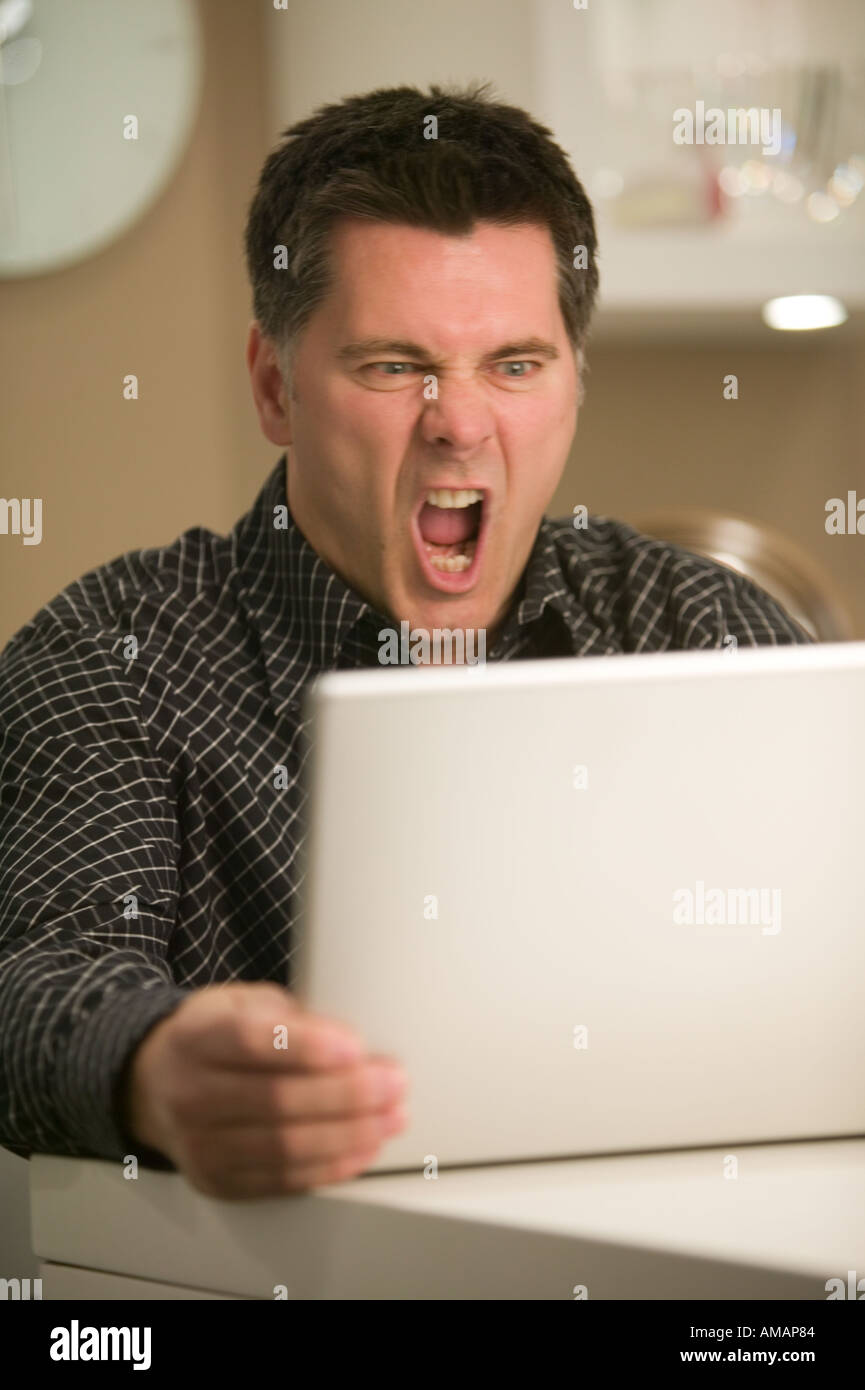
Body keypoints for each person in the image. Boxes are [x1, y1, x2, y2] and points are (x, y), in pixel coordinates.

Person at [0, 83, 809, 1201]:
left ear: (576, 382)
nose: (459, 421)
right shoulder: (113, 654)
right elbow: (40, 980)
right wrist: (152, 1064)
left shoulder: (706, 630)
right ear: (275, 386)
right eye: (394, 365)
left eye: (514, 364)